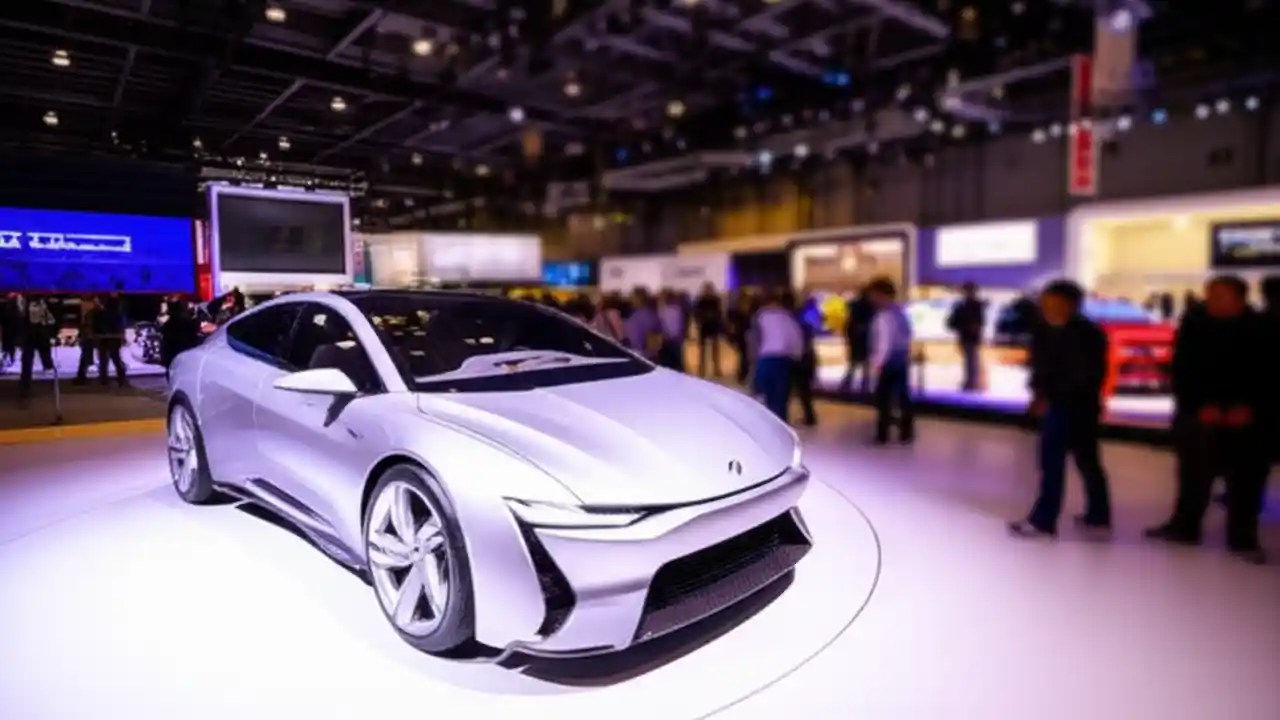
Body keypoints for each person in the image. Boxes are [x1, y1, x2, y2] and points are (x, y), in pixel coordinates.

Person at [1144, 276, 1269, 564]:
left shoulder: (1263, 328)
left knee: (1246, 479)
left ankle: (1243, 538)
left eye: (1219, 296)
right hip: (1198, 415)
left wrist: (1250, 407)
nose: (1210, 300)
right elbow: (1182, 369)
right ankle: (1185, 527)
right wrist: (1199, 405)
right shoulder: (1194, 324)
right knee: (1192, 475)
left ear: (1239, 298)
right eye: (1209, 294)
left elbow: (1268, 375)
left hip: (1248, 419)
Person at [1009, 280, 1112, 539]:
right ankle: (1095, 515)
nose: (1045, 306)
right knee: (1067, 462)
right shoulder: (1044, 329)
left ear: (1069, 304)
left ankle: (1048, 520)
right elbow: (1040, 366)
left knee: (1074, 462)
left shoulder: (1088, 334)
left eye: (1051, 301)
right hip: (1057, 403)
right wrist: (1037, 394)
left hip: (1075, 406)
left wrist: (1051, 396)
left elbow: (1085, 375)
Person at [867, 278, 914, 444]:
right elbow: (908, 336)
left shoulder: (883, 316)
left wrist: (877, 363)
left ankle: (882, 435)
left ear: (882, 295)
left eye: (874, 295)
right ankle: (906, 433)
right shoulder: (901, 314)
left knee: (883, 400)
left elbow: (883, 342)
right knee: (903, 398)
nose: (872, 299)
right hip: (901, 361)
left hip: (888, 363)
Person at [751, 289, 804, 421]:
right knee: (780, 398)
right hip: (783, 359)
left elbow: (754, 340)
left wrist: (753, 361)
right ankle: (780, 424)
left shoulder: (760, 317)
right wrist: (797, 356)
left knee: (766, 396)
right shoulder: (787, 317)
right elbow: (796, 338)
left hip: (765, 359)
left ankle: (769, 423)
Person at [786, 292, 818, 427]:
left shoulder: (791, 319)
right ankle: (810, 416)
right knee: (804, 390)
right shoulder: (801, 317)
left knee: (797, 389)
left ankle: (808, 417)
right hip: (805, 356)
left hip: (798, 358)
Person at [16, 294, 57, 400]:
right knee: (27, 359)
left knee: (45, 354)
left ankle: (48, 365)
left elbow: (51, 318)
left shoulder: (44, 301)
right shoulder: (23, 299)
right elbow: (20, 314)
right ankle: (24, 386)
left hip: (40, 331)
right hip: (29, 332)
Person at [947, 282, 986, 391]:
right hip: (966, 336)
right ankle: (971, 382)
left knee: (971, 360)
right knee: (969, 360)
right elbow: (953, 322)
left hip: (971, 337)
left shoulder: (974, 306)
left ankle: (972, 383)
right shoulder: (963, 306)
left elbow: (980, 322)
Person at [840, 289, 875, 394]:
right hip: (864, 339)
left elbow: (849, 325)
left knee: (854, 363)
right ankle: (864, 384)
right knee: (863, 363)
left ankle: (849, 383)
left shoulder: (856, 307)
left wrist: (849, 337)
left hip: (857, 339)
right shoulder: (869, 308)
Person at [94, 290, 129, 388]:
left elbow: (117, 320)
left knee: (111, 357)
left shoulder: (113, 306)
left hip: (110, 334)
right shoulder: (111, 305)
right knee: (108, 357)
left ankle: (108, 378)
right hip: (109, 334)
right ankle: (107, 378)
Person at [623, 288, 663, 361]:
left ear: (640, 298)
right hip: (639, 353)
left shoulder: (646, 315)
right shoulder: (638, 314)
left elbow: (654, 337)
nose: (631, 300)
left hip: (643, 355)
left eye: (633, 297)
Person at [694, 282, 724, 377]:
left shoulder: (715, 300)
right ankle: (702, 368)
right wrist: (700, 321)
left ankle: (716, 369)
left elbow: (719, 313)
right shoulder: (700, 301)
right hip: (704, 326)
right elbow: (696, 314)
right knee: (703, 349)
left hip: (713, 325)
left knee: (715, 349)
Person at [657, 289, 688, 372]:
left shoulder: (662, 310)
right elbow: (681, 325)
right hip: (676, 339)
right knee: (677, 362)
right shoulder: (677, 309)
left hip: (668, 339)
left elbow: (661, 325)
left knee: (668, 363)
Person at [726, 293, 752, 385]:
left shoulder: (738, 312)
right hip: (743, 335)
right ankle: (743, 374)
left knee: (743, 355)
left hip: (742, 335)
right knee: (744, 355)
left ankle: (742, 374)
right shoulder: (744, 313)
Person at [73, 296, 99, 386]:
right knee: (86, 356)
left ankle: (81, 376)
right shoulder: (92, 313)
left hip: (90, 336)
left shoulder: (92, 313)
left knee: (86, 356)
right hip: (89, 336)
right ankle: (81, 376)